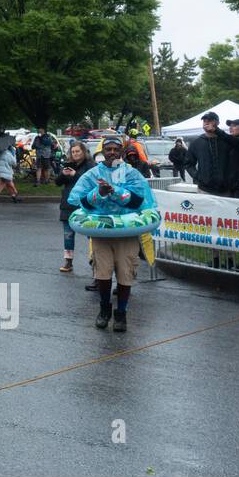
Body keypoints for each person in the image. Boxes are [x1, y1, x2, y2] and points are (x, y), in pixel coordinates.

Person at [67, 137, 155, 332]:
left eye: (116, 149)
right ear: (103, 151)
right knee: (103, 274)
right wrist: (98, 192)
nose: (112, 152)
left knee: (126, 275)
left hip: (127, 234)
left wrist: (115, 191)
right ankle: (104, 310)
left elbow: (139, 201)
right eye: (109, 149)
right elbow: (80, 200)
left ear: (122, 152)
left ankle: (121, 314)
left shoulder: (132, 174)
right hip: (102, 234)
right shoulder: (92, 175)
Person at [54, 141, 94, 273]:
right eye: (73, 152)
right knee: (68, 235)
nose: (75, 154)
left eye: (78, 151)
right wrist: (63, 174)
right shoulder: (69, 164)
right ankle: (68, 261)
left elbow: (90, 183)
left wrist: (74, 175)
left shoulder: (90, 165)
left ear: (83, 152)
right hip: (67, 204)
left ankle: (94, 258)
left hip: (84, 204)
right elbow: (57, 183)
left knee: (91, 234)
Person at [0, 133, 20, 203]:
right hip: (6, 170)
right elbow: (13, 162)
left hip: (2, 170)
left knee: (8, 184)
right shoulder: (7, 153)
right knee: (4, 184)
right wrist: (14, 154)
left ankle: (14, 197)